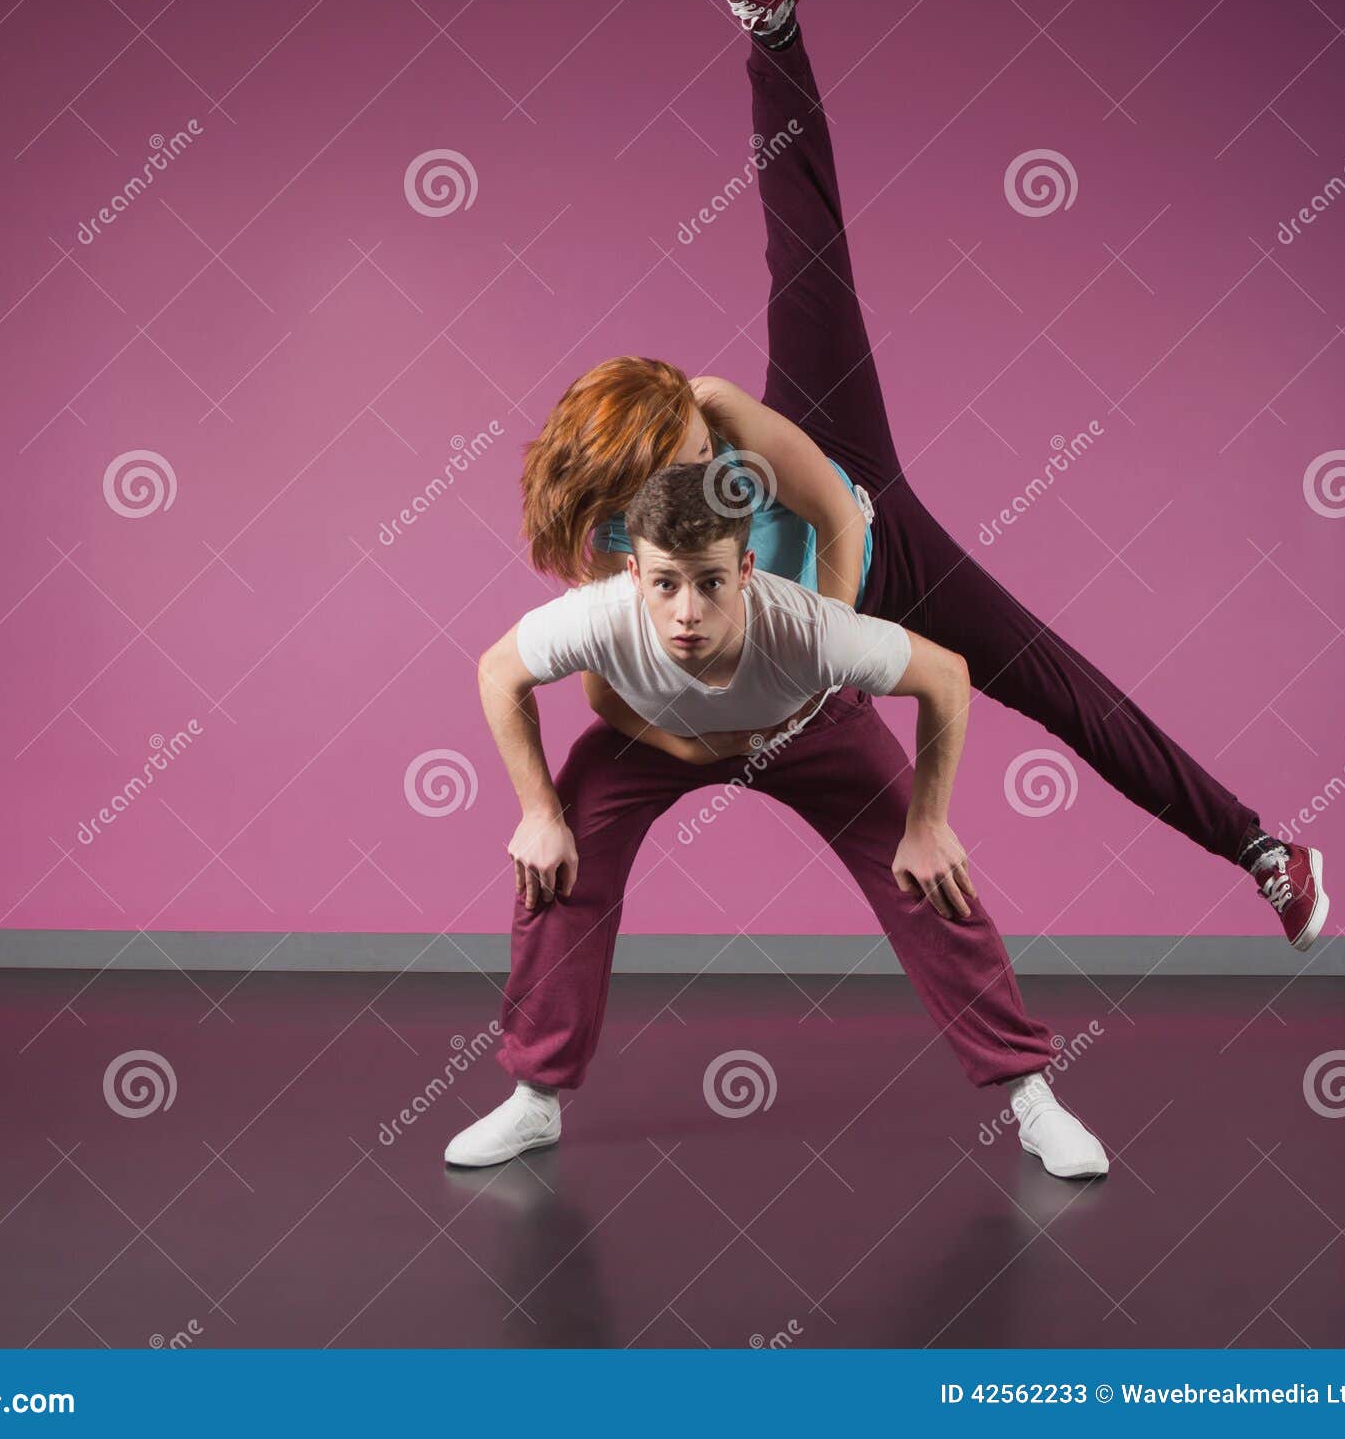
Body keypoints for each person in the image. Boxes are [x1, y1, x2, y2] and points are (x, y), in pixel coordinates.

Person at [518, 0, 1327, 951]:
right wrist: (693, 721)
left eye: (696, 432)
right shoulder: (618, 542)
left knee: (806, 257)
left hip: (860, 503)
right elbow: (606, 666)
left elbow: (826, 513)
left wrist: (826, 647)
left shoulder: (720, 409)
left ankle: (1260, 853)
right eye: (682, 455)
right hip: (772, 601)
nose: (703, 445)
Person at [445, 462, 1109, 1180]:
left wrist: (930, 819)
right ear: (634, 573)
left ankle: (1033, 1095)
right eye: (666, 583)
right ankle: (535, 1097)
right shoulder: (599, 614)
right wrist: (540, 813)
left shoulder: (806, 628)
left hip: (808, 732)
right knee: (555, 865)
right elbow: (496, 672)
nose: (688, 613)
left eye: (710, 582)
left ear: (747, 569)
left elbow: (945, 675)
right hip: (654, 739)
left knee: (927, 877)